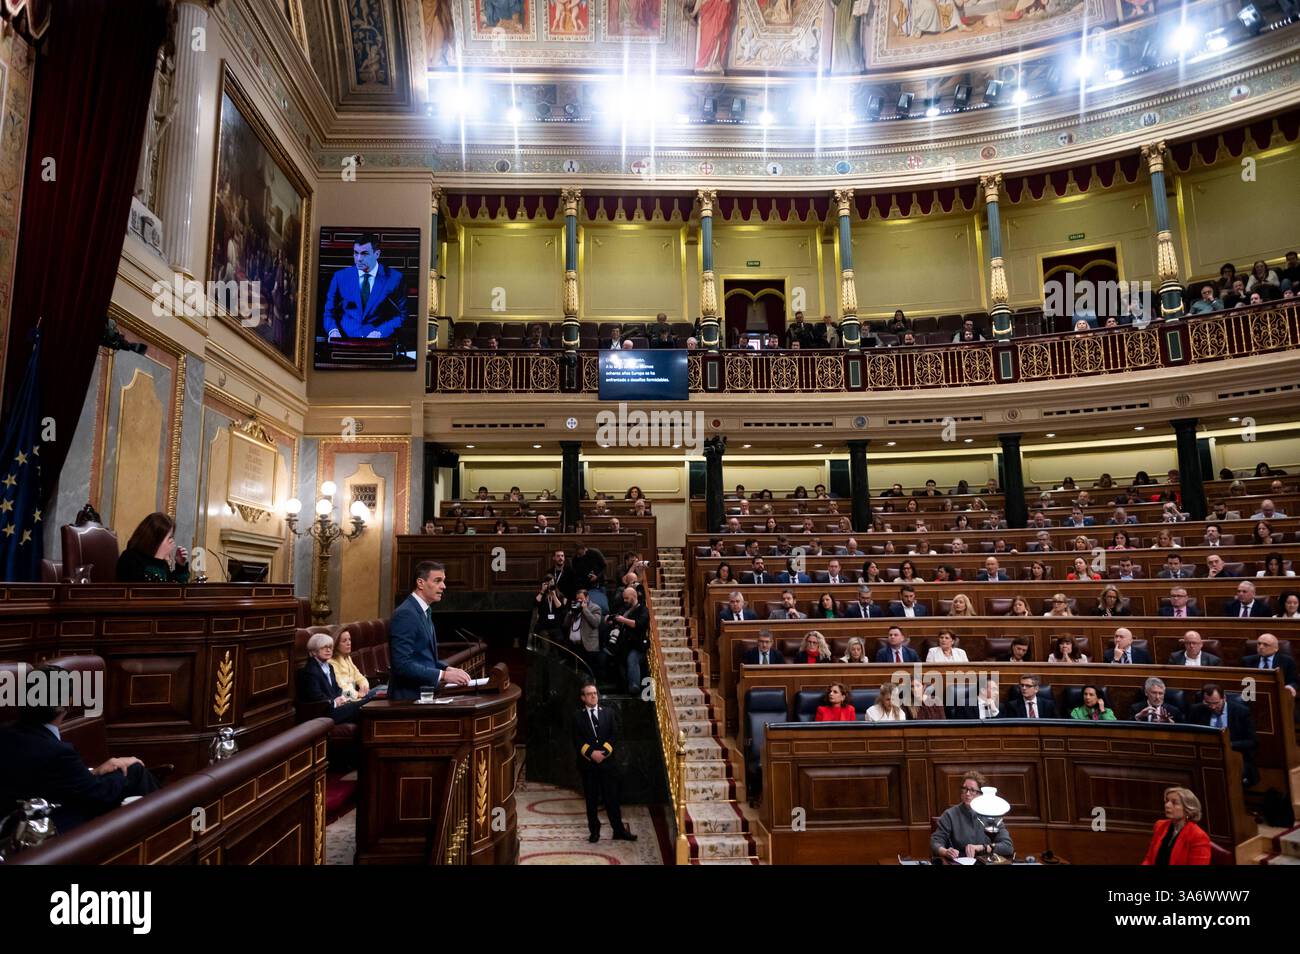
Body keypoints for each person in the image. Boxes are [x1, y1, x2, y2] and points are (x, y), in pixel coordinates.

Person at [388, 561, 472, 700]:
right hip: (407, 699)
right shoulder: (406, 614)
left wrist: (446, 668)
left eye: (443, 581)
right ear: (420, 583)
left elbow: (422, 657)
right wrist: (443, 675)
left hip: (423, 695)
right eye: (437, 581)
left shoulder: (424, 611)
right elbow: (402, 664)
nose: (443, 586)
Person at [573, 683, 636, 843]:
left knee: (612, 799)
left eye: (595, 693)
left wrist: (605, 752)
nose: (593, 696)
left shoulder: (608, 713)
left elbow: (614, 734)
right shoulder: (577, 716)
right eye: (589, 694)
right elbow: (577, 739)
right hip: (589, 766)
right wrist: (591, 753)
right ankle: (594, 832)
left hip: (608, 765)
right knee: (591, 801)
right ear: (583, 698)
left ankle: (619, 831)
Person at [321, 233, 407, 339]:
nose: (359, 259)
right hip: (345, 342)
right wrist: (333, 331)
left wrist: (380, 332)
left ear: (377, 254)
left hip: (379, 344)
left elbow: (403, 315)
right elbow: (329, 312)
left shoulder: (394, 278)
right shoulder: (340, 277)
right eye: (356, 253)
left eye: (364, 254)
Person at [931, 771, 1014, 862]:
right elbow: (935, 843)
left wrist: (981, 847)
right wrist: (946, 852)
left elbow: (1008, 847)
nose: (967, 793)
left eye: (972, 790)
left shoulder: (991, 813)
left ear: (980, 794)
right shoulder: (950, 815)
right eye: (964, 789)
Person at [1190, 682, 1259, 786]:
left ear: (1224, 698)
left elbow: (1253, 742)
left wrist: (1228, 745)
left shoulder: (1241, 712)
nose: (1212, 707)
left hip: (1234, 756)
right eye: (1208, 703)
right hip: (1207, 756)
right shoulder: (1197, 710)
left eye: (1216, 703)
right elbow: (1191, 734)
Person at [298, 633, 365, 724]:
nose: (328, 650)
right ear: (313, 651)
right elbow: (317, 697)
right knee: (364, 705)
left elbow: (337, 689)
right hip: (324, 713)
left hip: (336, 707)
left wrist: (342, 698)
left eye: (330, 647)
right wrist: (334, 702)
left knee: (365, 705)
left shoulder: (329, 666)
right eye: (324, 647)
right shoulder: (310, 670)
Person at [1141, 788, 1212, 865]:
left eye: (1174, 803)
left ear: (1188, 809)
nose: (1167, 805)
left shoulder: (1198, 836)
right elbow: (1149, 859)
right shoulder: (1160, 825)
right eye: (1167, 801)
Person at [115, 512, 190, 582]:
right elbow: (151, 592)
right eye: (169, 538)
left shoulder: (160, 562)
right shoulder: (129, 558)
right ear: (155, 538)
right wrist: (159, 557)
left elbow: (174, 588)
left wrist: (180, 566)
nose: (172, 542)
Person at [607, 586, 649, 695]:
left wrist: (623, 620)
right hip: (623, 644)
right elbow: (617, 619)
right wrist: (611, 620)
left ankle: (634, 687)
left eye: (626, 598)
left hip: (637, 644)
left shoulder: (643, 609)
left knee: (632, 659)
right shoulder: (624, 608)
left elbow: (640, 624)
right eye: (624, 598)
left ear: (633, 596)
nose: (624, 601)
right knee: (619, 664)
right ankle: (624, 689)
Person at [329, 628, 371, 701]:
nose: (349, 643)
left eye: (349, 639)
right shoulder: (331, 662)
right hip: (345, 701)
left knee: (383, 689)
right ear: (336, 644)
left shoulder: (347, 657)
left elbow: (359, 677)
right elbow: (342, 690)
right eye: (344, 641)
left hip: (357, 698)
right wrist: (357, 694)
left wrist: (364, 687)